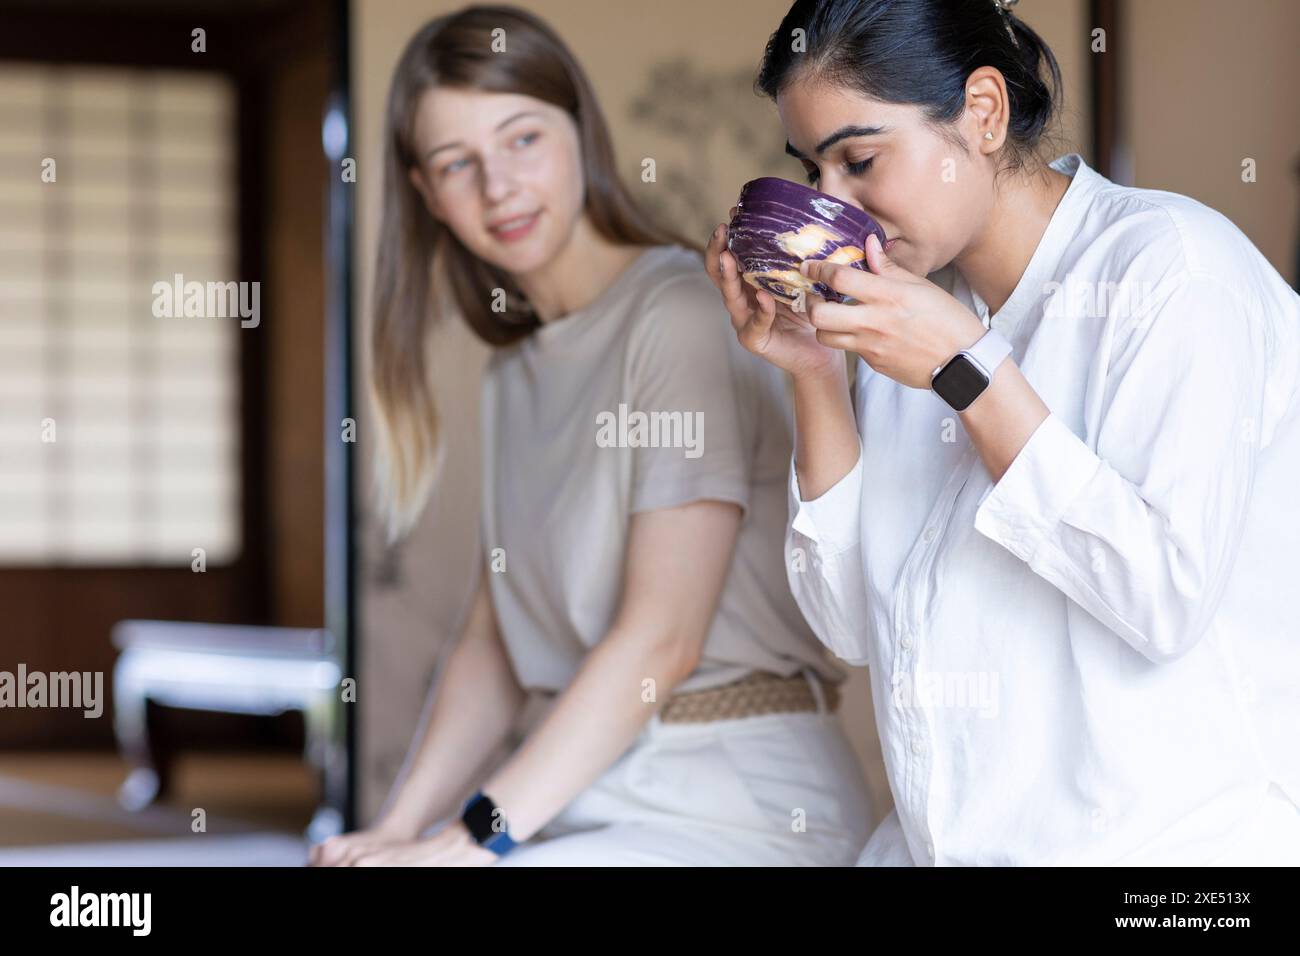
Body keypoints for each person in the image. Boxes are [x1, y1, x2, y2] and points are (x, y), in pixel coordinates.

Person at [706, 0, 1300, 865]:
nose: (835, 205)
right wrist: (816, 376)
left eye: (861, 159)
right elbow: (850, 631)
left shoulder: (1175, 270)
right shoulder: (916, 310)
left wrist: (967, 369)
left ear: (982, 113)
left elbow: (1162, 597)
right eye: (813, 169)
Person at [310, 4, 871, 867]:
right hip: (596, 797)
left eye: (523, 138)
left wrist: (471, 841)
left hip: (733, 804)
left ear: (579, 125)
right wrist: (396, 828)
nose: (498, 186)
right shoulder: (513, 375)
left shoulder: (675, 314)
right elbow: (492, 647)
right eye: (457, 163)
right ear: (425, 192)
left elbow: (661, 639)